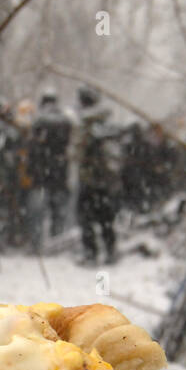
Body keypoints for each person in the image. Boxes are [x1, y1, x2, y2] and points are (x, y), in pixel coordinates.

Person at [71, 85, 123, 265]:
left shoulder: (86, 125)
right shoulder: (108, 123)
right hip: (107, 182)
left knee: (85, 218)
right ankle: (111, 251)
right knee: (105, 218)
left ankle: (91, 254)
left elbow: (76, 152)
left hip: (89, 179)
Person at [27, 89, 72, 249]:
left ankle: (36, 243)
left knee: (37, 212)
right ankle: (58, 240)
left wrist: (31, 170)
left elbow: (32, 147)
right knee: (58, 209)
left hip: (40, 173)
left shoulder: (38, 121)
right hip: (60, 172)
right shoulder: (66, 121)